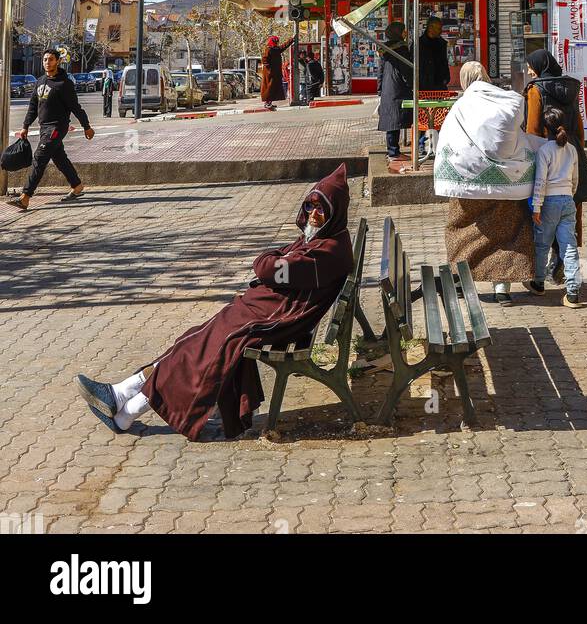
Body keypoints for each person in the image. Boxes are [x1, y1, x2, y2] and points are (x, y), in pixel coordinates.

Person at [75, 165, 354, 439]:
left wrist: (266, 261)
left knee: (202, 348)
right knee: (192, 341)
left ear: (334, 212)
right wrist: (271, 260)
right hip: (268, 309)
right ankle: (124, 399)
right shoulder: (324, 240)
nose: (314, 216)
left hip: (276, 320)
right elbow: (278, 262)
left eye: (321, 210)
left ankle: (127, 406)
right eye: (309, 208)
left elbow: (271, 269)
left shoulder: (329, 251)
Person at [438, 62, 540, 305]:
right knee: (510, 234)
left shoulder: (461, 105)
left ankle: (461, 282)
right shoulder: (508, 100)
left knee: (461, 231)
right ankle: (502, 288)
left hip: (467, 183)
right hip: (509, 181)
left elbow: (449, 142)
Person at [7, 48, 95, 211]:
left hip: (57, 127)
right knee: (59, 158)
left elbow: (75, 107)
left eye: (51, 60)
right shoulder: (40, 81)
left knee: (39, 158)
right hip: (44, 128)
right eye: (45, 60)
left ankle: (25, 197)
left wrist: (86, 127)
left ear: (58, 61)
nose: (47, 62)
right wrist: (25, 126)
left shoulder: (64, 84)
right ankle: (77, 185)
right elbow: (33, 106)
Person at [523, 48, 585, 278]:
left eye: (531, 66)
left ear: (540, 67)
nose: (529, 71)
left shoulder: (536, 90)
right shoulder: (572, 87)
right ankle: (565, 261)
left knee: (543, 213)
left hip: (546, 154)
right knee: (570, 210)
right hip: (571, 151)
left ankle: (544, 269)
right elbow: (579, 127)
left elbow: (532, 129)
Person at [527, 106, 582, 307]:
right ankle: (573, 290)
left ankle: (539, 282)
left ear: (545, 128)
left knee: (542, 244)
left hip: (548, 202)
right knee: (569, 246)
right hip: (568, 200)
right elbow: (575, 179)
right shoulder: (572, 149)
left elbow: (540, 181)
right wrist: (569, 195)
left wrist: (537, 207)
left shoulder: (544, 151)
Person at [377, 21, 413, 164]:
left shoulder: (386, 50)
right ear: (398, 32)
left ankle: (393, 151)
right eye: (404, 31)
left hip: (387, 87)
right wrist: (411, 84)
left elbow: (380, 71)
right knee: (394, 120)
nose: (405, 33)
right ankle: (393, 153)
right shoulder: (401, 49)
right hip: (397, 87)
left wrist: (379, 89)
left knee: (392, 120)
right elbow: (405, 70)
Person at [418, 16, 450, 91]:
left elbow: (444, 62)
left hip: (440, 84)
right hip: (423, 86)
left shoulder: (442, 43)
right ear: (430, 27)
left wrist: (446, 78)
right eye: (438, 28)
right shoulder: (418, 44)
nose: (440, 31)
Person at [260, 34, 291, 111]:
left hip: (274, 73)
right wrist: (269, 69)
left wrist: (291, 40)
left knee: (273, 88)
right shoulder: (268, 49)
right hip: (270, 74)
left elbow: (283, 47)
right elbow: (264, 60)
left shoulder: (275, 49)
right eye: (276, 42)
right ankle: (267, 103)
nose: (277, 43)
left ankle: (269, 102)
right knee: (269, 88)